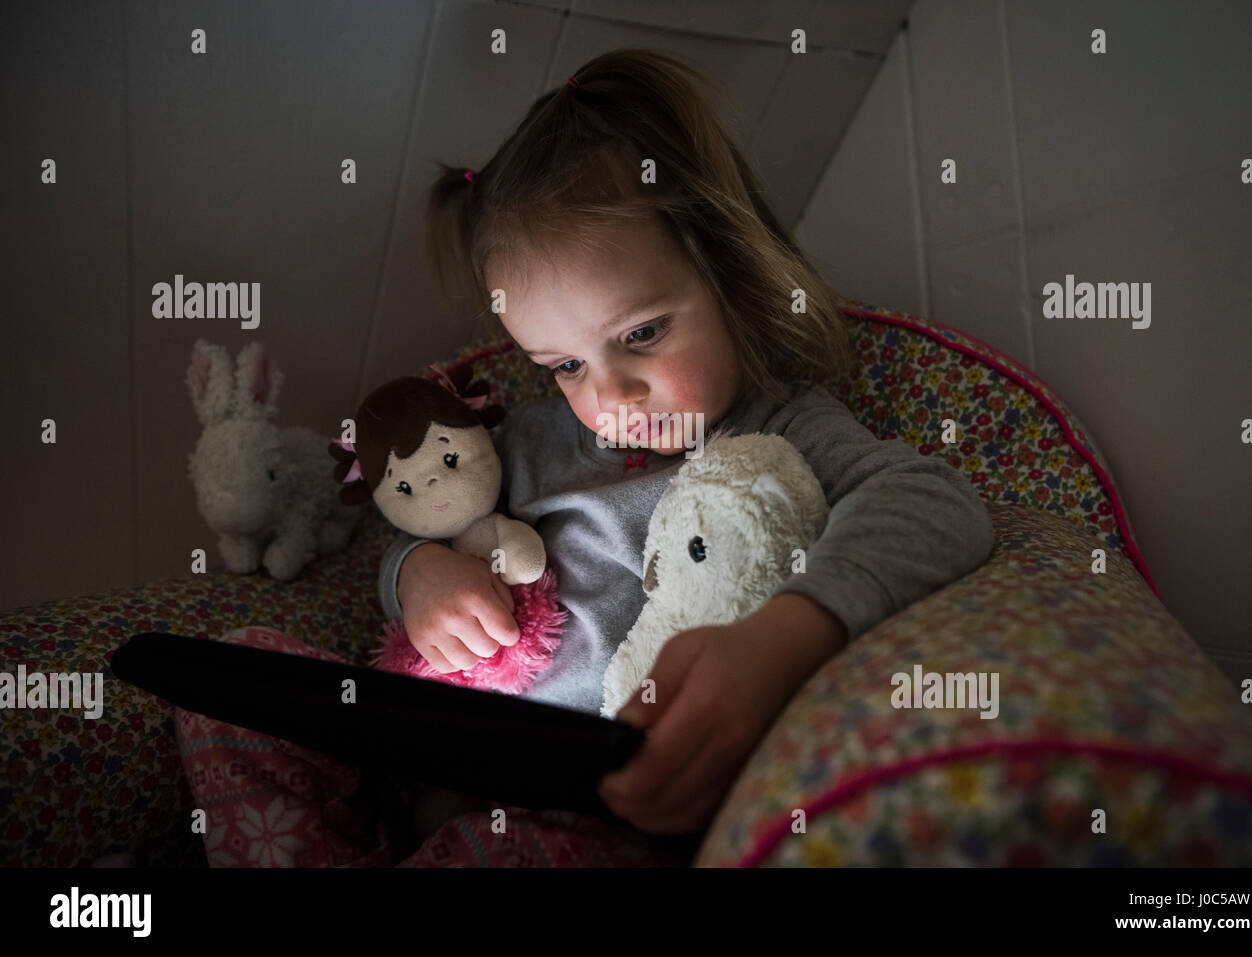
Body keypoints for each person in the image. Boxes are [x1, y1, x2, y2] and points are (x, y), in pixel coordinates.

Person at [175, 47, 993, 867]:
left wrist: (787, 635)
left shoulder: (782, 432)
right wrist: (416, 574)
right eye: (565, 365)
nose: (610, 396)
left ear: (730, 276)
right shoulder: (529, 443)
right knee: (232, 682)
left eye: (641, 334)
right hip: (428, 754)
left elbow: (935, 503)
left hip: (584, 815)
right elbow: (427, 527)